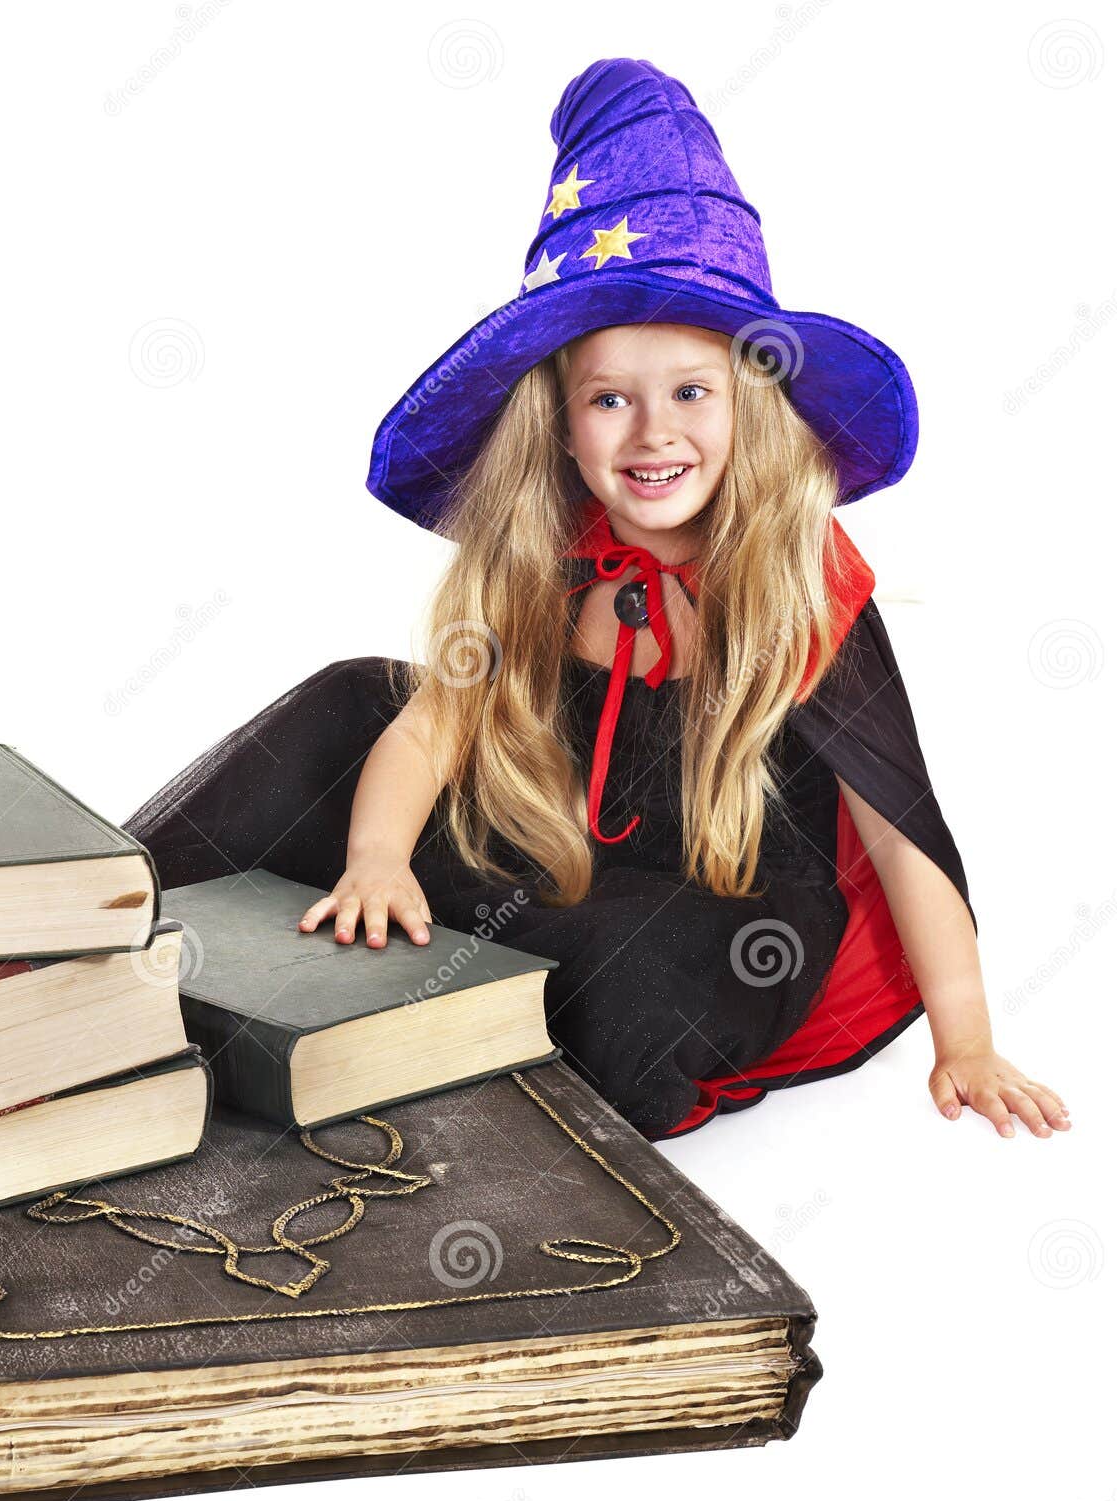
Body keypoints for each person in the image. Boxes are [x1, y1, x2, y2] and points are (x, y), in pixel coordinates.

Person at [126, 59, 1068, 1144]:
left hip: (718, 904)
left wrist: (967, 1037)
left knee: (630, 964)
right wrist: (378, 855)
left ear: (748, 405)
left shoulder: (800, 585)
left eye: (689, 393)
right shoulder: (545, 560)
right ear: (562, 425)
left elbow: (900, 833)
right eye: (610, 398)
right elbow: (430, 733)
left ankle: (454, 1092)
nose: (651, 432)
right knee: (352, 702)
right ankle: (82, 937)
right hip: (536, 865)